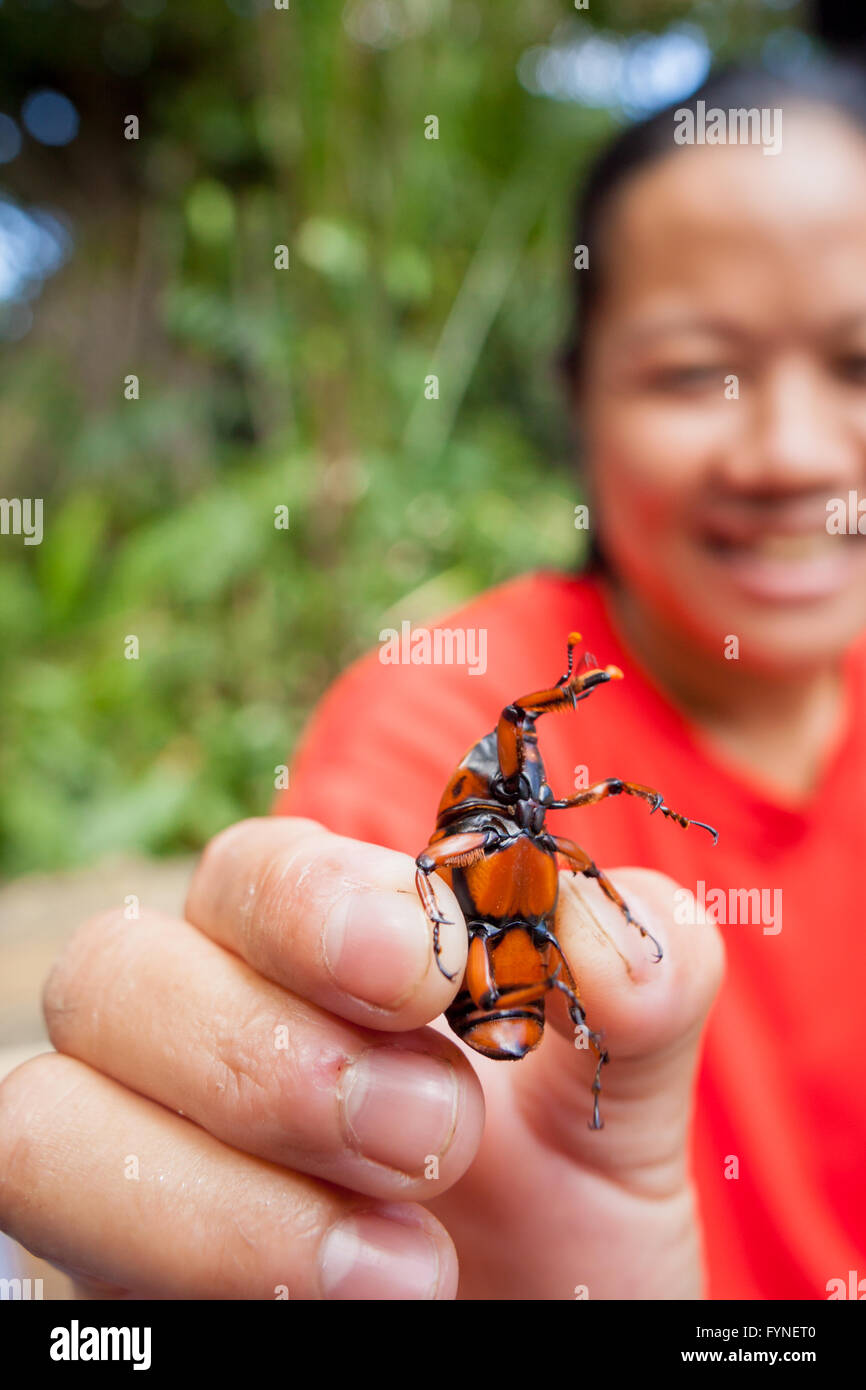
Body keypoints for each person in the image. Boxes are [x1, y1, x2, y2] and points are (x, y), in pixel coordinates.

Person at [1, 58, 865, 1301]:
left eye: (856, 363)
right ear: (575, 399)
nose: (789, 451)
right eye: (694, 372)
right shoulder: (429, 718)